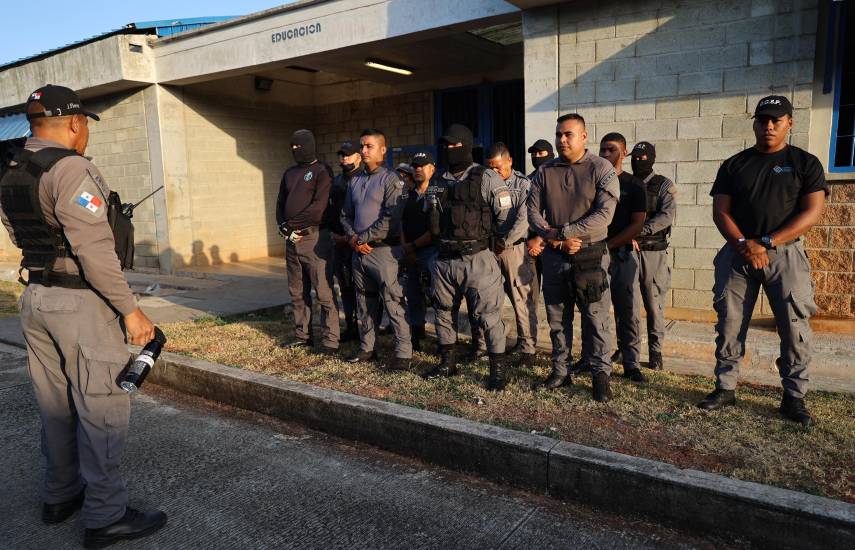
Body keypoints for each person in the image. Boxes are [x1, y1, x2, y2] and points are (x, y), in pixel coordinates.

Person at [0, 85, 166, 547]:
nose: (86, 133)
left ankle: (60, 495)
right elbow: (96, 253)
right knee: (102, 407)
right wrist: (130, 311)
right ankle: (106, 515)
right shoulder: (71, 169)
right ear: (74, 123)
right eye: (85, 125)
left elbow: (21, 234)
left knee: (56, 408)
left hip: (36, 300)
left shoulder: (13, 170)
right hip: (79, 303)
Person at [698, 95, 827, 426]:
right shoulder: (734, 164)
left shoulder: (805, 163)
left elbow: (812, 212)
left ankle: (794, 397)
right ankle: (725, 387)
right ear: (755, 123)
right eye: (763, 120)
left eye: (776, 120)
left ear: (789, 123)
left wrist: (767, 242)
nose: (769, 126)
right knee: (729, 321)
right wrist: (745, 244)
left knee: (794, 325)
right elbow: (721, 211)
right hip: (738, 253)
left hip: (785, 254)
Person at [528, 113, 619, 402]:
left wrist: (565, 231)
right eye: (558, 134)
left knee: (596, 319)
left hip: (590, 255)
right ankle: (560, 371)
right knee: (557, 316)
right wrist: (557, 239)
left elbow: (604, 215)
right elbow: (531, 213)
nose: (562, 140)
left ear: (583, 137)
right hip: (555, 256)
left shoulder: (601, 168)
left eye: (568, 134)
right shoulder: (545, 171)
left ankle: (600, 376)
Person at [423, 124, 512, 390]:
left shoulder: (486, 178)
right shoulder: (437, 181)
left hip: (478, 258)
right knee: (442, 312)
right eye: (446, 146)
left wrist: (491, 239)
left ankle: (497, 371)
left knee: (489, 316)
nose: (450, 151)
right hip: (444, 259)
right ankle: (447, 362)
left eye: (455, 146)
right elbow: (432, 212)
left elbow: (504, 212)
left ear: (466, 145)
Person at [340, 129, 412, 370]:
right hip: (358, 253)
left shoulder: (392, 180)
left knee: (393, 302)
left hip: (384, 253)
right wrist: (353, 238)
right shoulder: (355, 181)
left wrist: (364, 237)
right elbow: (345, 215)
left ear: (383, 149)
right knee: (364, 302)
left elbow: (391, 217)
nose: (363, 150)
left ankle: (403, 353)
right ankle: (367, 347)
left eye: (369, 146)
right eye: (362, 146)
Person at [276, 129, 339, 353]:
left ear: (310, 145)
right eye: (292, 147)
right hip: (292, 241)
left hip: (314, 239)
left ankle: (331, 340)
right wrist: (283, 226)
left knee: (323, 292)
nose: (295, 150)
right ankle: (303, 335)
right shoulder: (289, 173)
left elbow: (318, 208)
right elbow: (280, 204)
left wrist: (291, 224)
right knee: (297, 292)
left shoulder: (322, 171)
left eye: (299, 146)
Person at [599, 133, 647, 382]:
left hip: (623, 255)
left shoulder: (634, 185)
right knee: (596, 311)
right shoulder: (593, 182)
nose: (606, 154)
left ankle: (631, 363)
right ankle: (596, 359)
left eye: (612, 150)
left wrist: (609, 245)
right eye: (603, 150)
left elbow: (637, 224)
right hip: (597, 257)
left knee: (628, 311)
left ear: (624, 153)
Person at [485, 142, 538, 367]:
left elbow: (523, 220)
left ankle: (528, 348)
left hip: (515, 248)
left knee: (521, 299)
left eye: (499, 168)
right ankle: (495, 343)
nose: (496, 172)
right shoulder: (485, 183)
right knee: (491, 297)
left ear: (509, 162)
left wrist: (504, 242)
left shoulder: (524, 185)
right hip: (491, 247)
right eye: (491, 168)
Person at [629, 141, 676, 371]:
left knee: (653, 303)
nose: (638, 162)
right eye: (635, 158)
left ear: (652, 159)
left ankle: (656, 352)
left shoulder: (663, 185)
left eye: (643, 158)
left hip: (652, 252)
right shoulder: (626, 184)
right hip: (629, 250)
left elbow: (666, 217)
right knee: (628, 302)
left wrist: (639, 231)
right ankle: (628, 348)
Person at [400, 150, 442, 352]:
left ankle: (444, 339)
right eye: (415, 166)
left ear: (431, 169)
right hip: (410, 254)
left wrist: (413, 246)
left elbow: (436, 229)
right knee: (413, 295)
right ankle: (416, 334)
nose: (417, 169)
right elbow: (400, 223)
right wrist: (406, 248)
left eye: (422, 166)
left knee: (438, 297)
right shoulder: (406, 195)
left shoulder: (438, 193)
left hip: (431, 253)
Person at [325, 140, 361, 341]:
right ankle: (351, 327)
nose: (344, 158)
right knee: (346, 287)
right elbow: (331, 212)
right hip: (340, 243)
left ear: (358, 156)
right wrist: (334, 235)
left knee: (364, 289)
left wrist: (353, 238)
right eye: (342, 154)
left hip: (361, 243)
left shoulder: (366, 180)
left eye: (348, 154)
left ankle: (368, 328)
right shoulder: (336, 182)